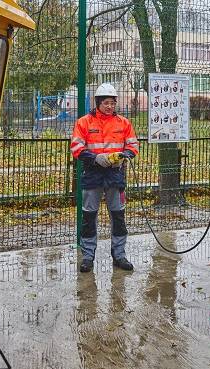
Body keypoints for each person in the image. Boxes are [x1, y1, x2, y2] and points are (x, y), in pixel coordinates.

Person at [70, 83, 139, 273]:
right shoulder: (84, 122)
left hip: (115, 174)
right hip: (92, 173)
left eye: (113, 103)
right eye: (107, 103)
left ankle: (119, 255)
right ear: (98, 102)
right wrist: (95, 158)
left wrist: (123, 156)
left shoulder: (123, 123)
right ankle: (88, 256)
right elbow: (76, 148)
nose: (110, 106)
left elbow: (133, 146)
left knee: (118, 215)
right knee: (89, 215)